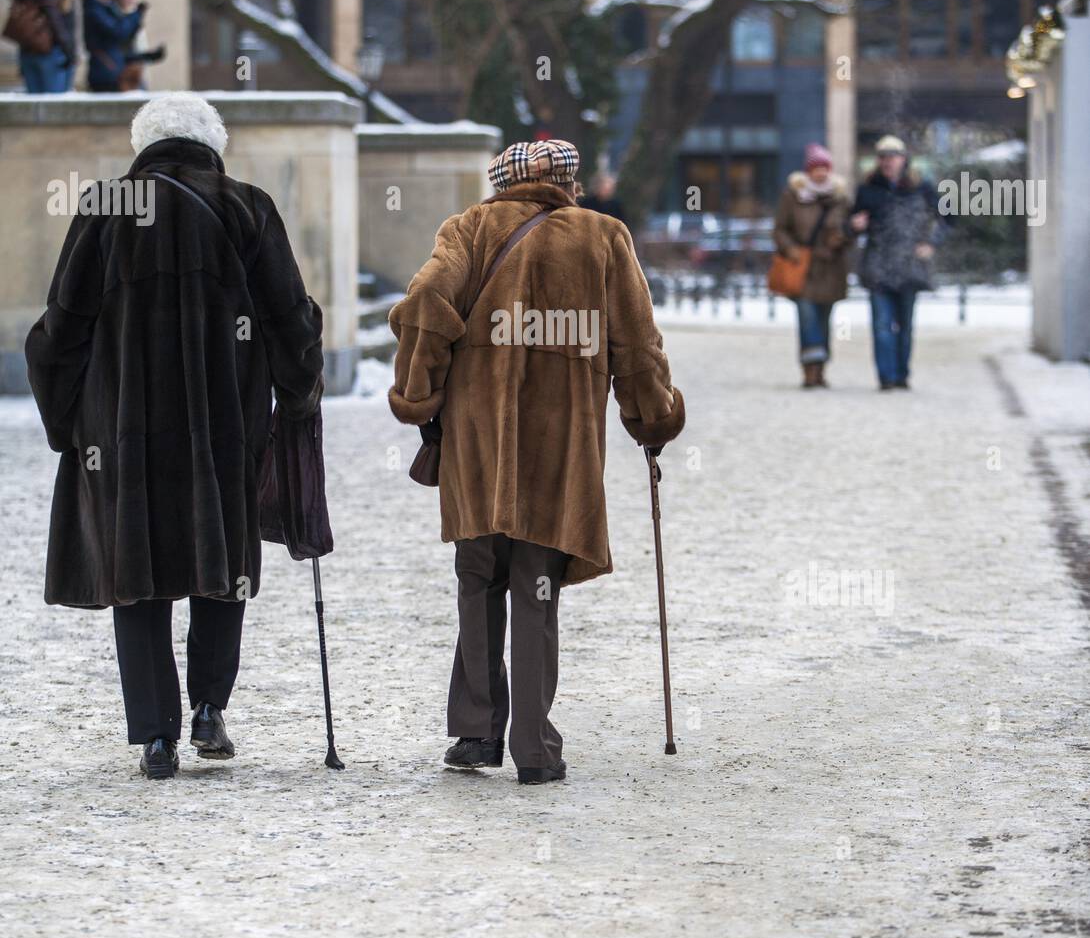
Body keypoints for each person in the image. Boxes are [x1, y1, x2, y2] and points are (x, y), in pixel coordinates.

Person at [25, 93, 324, 779]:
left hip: (122, 426)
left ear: (144, 144)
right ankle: (209, 710)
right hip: (226, 422)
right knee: (223, 562)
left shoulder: (105, 207)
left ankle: (156, 736)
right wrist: (299, 395)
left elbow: (60, 329)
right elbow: (291, 319)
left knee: (138, 567)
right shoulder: (248, 206)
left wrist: (67, 420)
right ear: (211, 143)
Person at [388, 138, 685, 785]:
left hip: (475, 439)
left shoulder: (467, 228)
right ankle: (534, 747)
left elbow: (426, 308)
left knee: (477, 576)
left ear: (500, 183)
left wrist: (417, 395)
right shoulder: (605, 237)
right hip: (560, 445)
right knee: (535, 585)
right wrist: (652, 420)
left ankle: (474, 732)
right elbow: (637, 348)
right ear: (571, 183)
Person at [849, 135, 942, 391]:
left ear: (903, 159)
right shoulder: (867, 190)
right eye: (883, 157)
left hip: (909, 267)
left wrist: (931, 242)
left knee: (905, 327)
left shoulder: (922, 187)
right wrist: (855, 226)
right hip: (878, 267)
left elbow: (947, 218)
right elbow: (852, 225)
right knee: (881, 327)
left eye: (892, 156)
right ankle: (886, 377)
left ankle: (902, 374)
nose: (888, 162)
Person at [772, 142, 852, 388]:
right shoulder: (792, 196)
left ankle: (822, 366)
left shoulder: (841, 199)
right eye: (816, 168)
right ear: (808, 171)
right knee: (807, 317)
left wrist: (841, 238)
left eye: (824, 167)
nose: (820, 172)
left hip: (830, 269)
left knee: (824, 319)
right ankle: (809, 369)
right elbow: (780, 229)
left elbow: (850, 230)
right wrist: (791, 249)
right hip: (802, 267)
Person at [6, 0, 77, 92]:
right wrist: (69, 50)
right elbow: (54, 18)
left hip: (28, 49)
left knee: (35, 103)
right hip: (51, 51)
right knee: (55, 106)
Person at [82, 0, 148, 92]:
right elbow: (118, 32)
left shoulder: (104, 9)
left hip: (112, 68)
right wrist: (135, 15)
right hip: (107, 70)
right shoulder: (94, 10)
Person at [110, 0, 167, 88]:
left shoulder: (130, 17)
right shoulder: (117, 20)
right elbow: (125, 50)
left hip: (137, 71)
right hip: (125, 74)